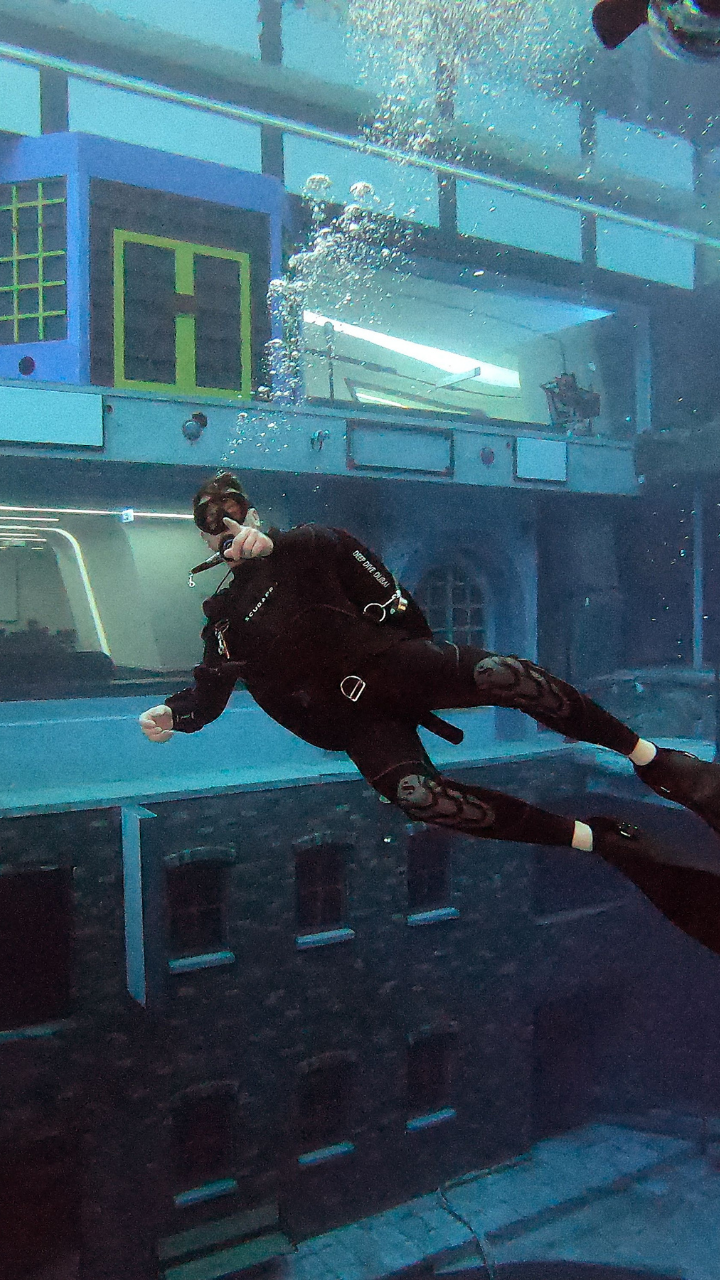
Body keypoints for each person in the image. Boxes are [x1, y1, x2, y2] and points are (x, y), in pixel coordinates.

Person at [140, 473, 720, 955]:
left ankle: (657, 760)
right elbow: (208, 689)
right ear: (202, 541)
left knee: (503, 675)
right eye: (211, 525)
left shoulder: (305, 546)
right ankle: (601, 839)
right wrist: (173, 713)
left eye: (233, 515)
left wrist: (277, 547)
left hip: (393, 663)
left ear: (256, 514)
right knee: (422, 796)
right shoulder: (224, 619)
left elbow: (339, 548)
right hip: (356, 722)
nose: (226, 529)